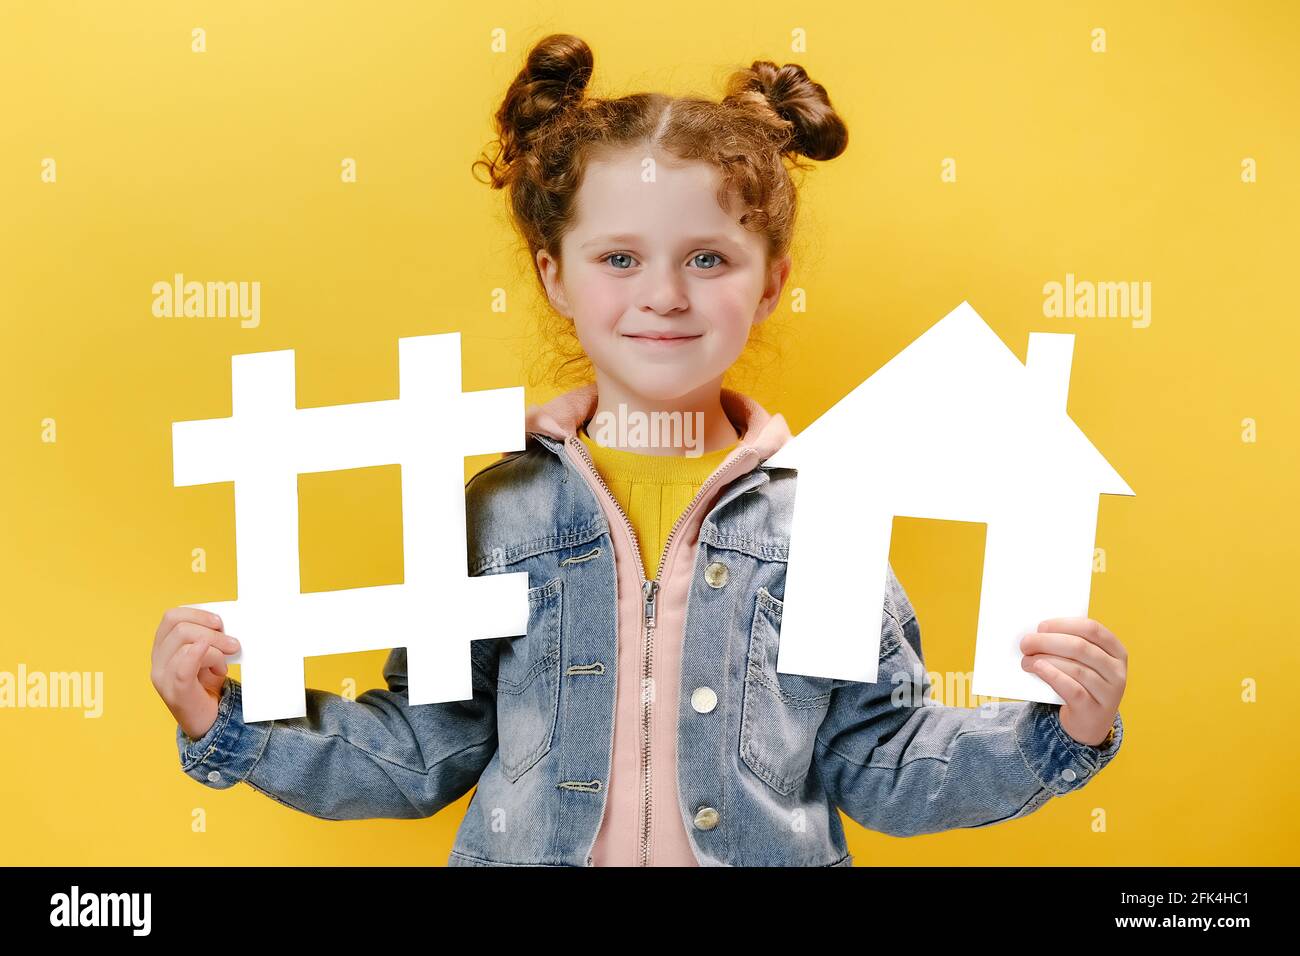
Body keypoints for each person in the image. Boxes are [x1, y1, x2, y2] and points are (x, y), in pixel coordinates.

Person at [151, 33, 1126, 866]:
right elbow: (422, 746)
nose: (663, 294)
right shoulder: (498, 509)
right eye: (619, 257)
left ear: (772, 280)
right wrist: (227, 722)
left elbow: (878, 758)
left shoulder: (827, 513)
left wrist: (1057, 732)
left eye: (707, 257)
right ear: (555, 275)